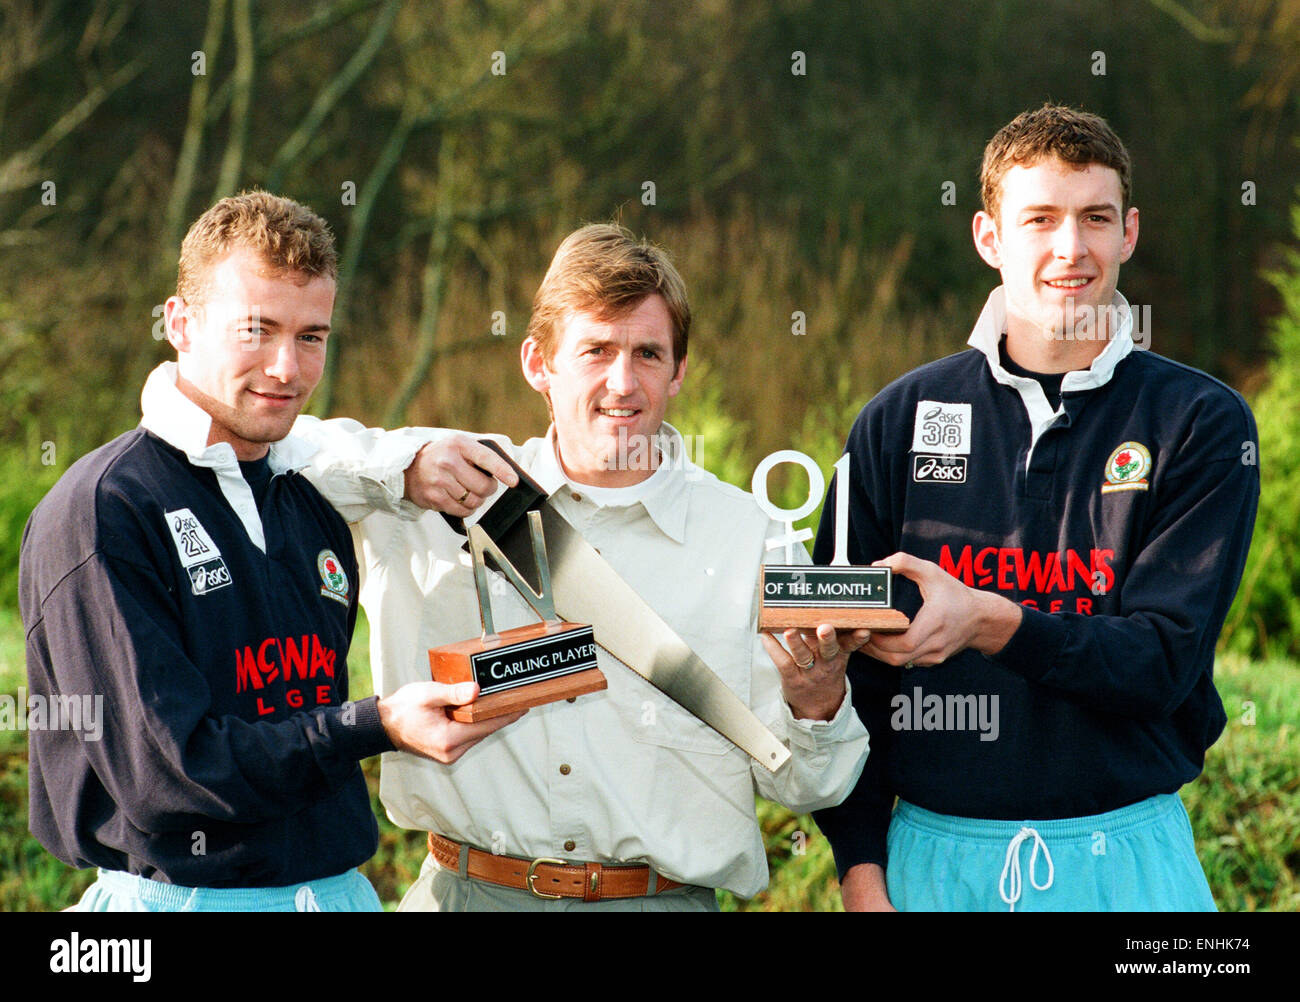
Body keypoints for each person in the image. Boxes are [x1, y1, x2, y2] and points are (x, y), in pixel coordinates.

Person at [295, 222, 870, 910]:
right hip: (466, 895)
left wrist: (815, 704)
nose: (622, 383)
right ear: (539, 363)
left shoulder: (751, 540)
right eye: (596, 350)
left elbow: (811, 788)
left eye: (648, 354)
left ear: (680, 371)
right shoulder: (434, 495)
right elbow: (265, 441)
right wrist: (403, 463)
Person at [811, 104, 1260, 912]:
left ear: (1128, 232)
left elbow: (1161, 663)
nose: (1070, 248)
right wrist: (860, 869)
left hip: (1127, 858)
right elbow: (846, 683)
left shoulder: (1202, 422)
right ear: (990, 238)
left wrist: (990, 622)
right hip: (928, 861)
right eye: (1040, 219)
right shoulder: (896, 419)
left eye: (1094, 217)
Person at [19, 191, 519, 912]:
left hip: (340, 894)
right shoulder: (103, 510)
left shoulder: (308, 498)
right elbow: (169, 771)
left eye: (311, 336)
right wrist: (374, 724)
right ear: (180, 324)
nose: (286, 368)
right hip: (179, 899)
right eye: (256, 330)